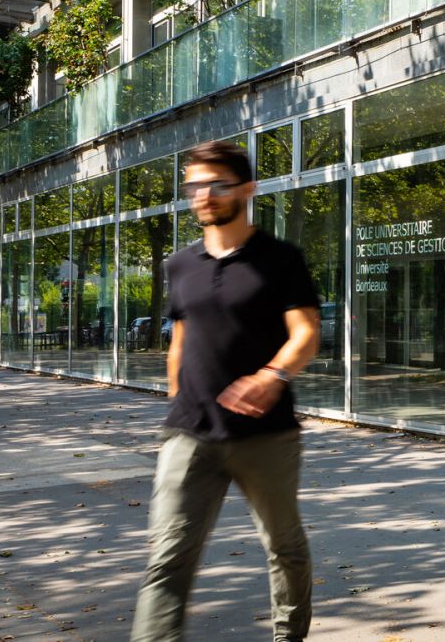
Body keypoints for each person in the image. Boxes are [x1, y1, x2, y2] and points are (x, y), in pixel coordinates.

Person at [131, 140, 322, 642]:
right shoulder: (180, 265)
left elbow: (305, 333)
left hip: (267, 437)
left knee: (285, 548)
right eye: (194, 185)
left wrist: (271, 376)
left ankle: (289, 636)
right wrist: (179, 403)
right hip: (190, 435)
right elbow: (182, 339)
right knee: (167, 558)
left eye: (217, 184)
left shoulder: (281, 260)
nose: (203, 195)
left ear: (247, 189)